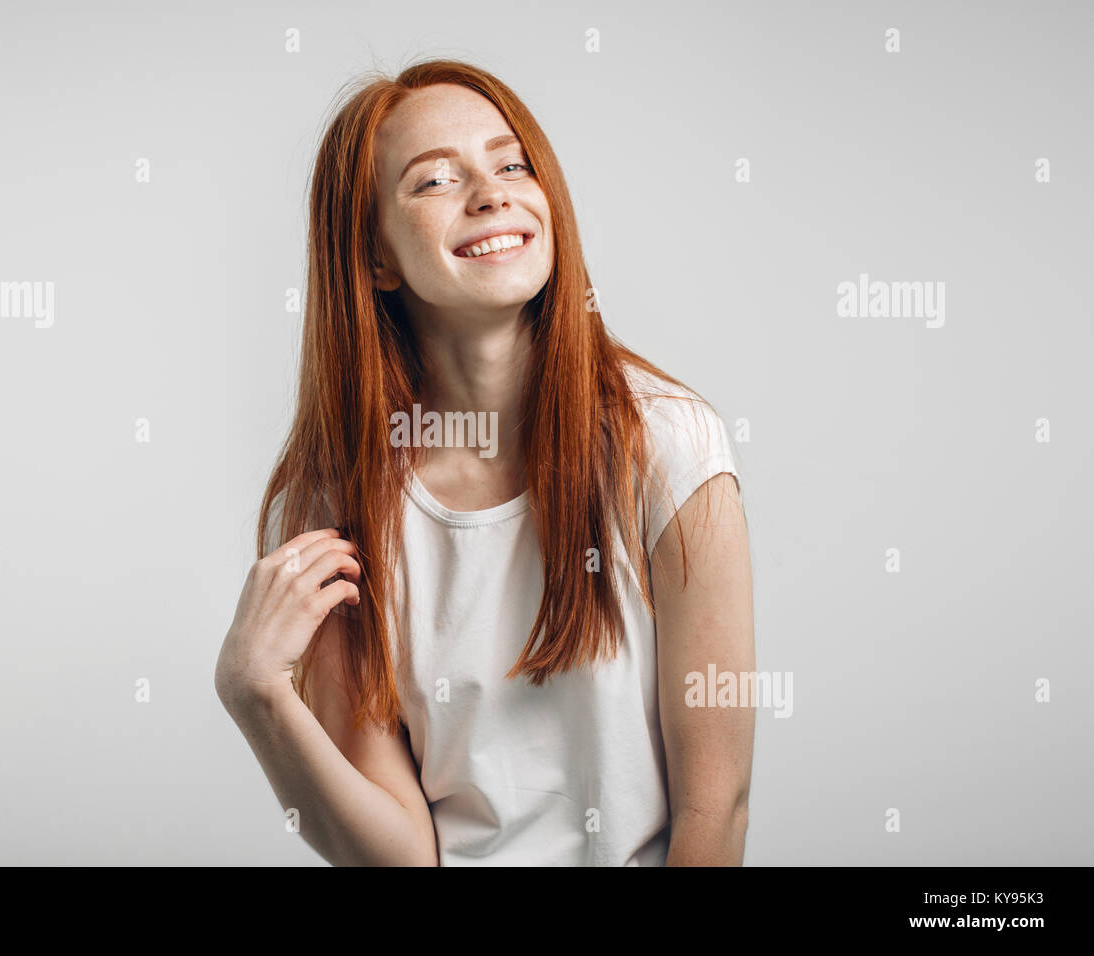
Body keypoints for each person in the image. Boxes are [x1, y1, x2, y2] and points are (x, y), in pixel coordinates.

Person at [214, 59, 755, 866]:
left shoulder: (669, 445)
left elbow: (717, 810)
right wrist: (255, 694)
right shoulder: (328, 506)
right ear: (375, 258)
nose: (493, 193)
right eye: (435, 181)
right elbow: (400, 856)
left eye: (511, 164)